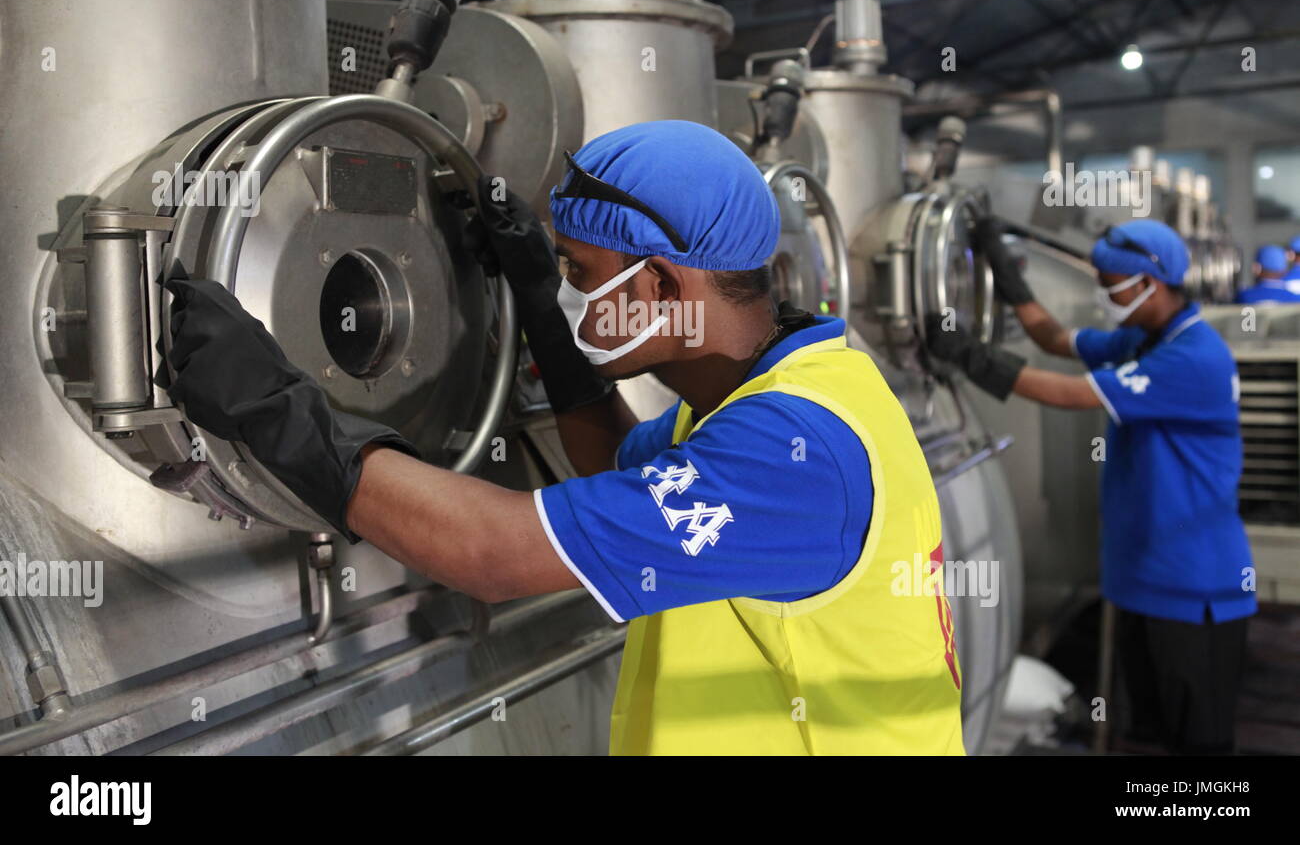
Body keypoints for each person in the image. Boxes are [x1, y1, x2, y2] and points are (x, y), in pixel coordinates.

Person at [162, 119, 965, 755]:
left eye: (579, 271)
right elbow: (614, 460)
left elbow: (493, 556)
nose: (573, 288)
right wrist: (539, 302)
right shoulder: (773, 400)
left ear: (657, 286)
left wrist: (273, 405)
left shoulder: (791, 458)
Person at [925, 216, 1256, 755]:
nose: (1102, 294)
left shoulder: (1193, 357)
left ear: (1148, 284)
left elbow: (1070, 392)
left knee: (1201, 749)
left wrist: (972, 358)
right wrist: (1001, 266)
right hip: (1143, 578)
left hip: (1196, 589)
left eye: (1110, 284)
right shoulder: (1142, 340)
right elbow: (1053, 339)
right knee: (1148, 735)